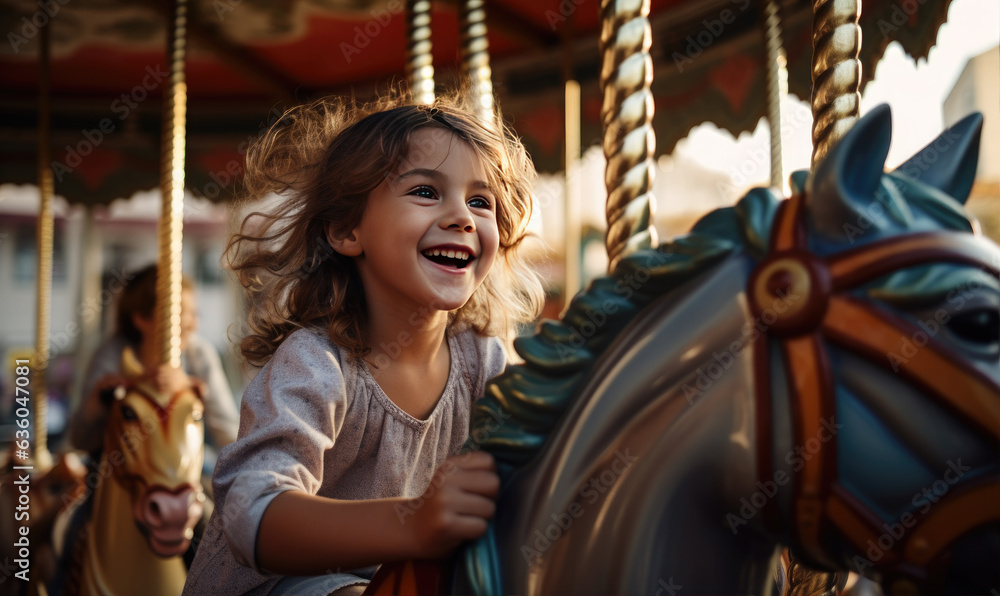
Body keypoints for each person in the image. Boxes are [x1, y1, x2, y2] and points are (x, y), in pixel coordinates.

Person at [182, 94, 544, 596]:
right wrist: (412, 524)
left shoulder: (482, 362)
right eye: (425, 191)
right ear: (346, 230)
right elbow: (252, 511)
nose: (463, 216)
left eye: (481, 201)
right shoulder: (317, 364)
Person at [69, 265, 239, 458]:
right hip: (126, 466)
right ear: (141, 318)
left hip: (182, 461)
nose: (193, 324)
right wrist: (98, 403)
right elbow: (80, 440)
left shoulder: (199, 355)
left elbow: (229, 432)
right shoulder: (111, 355)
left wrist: (189, 390)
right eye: (181, 312)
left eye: (195, 313)